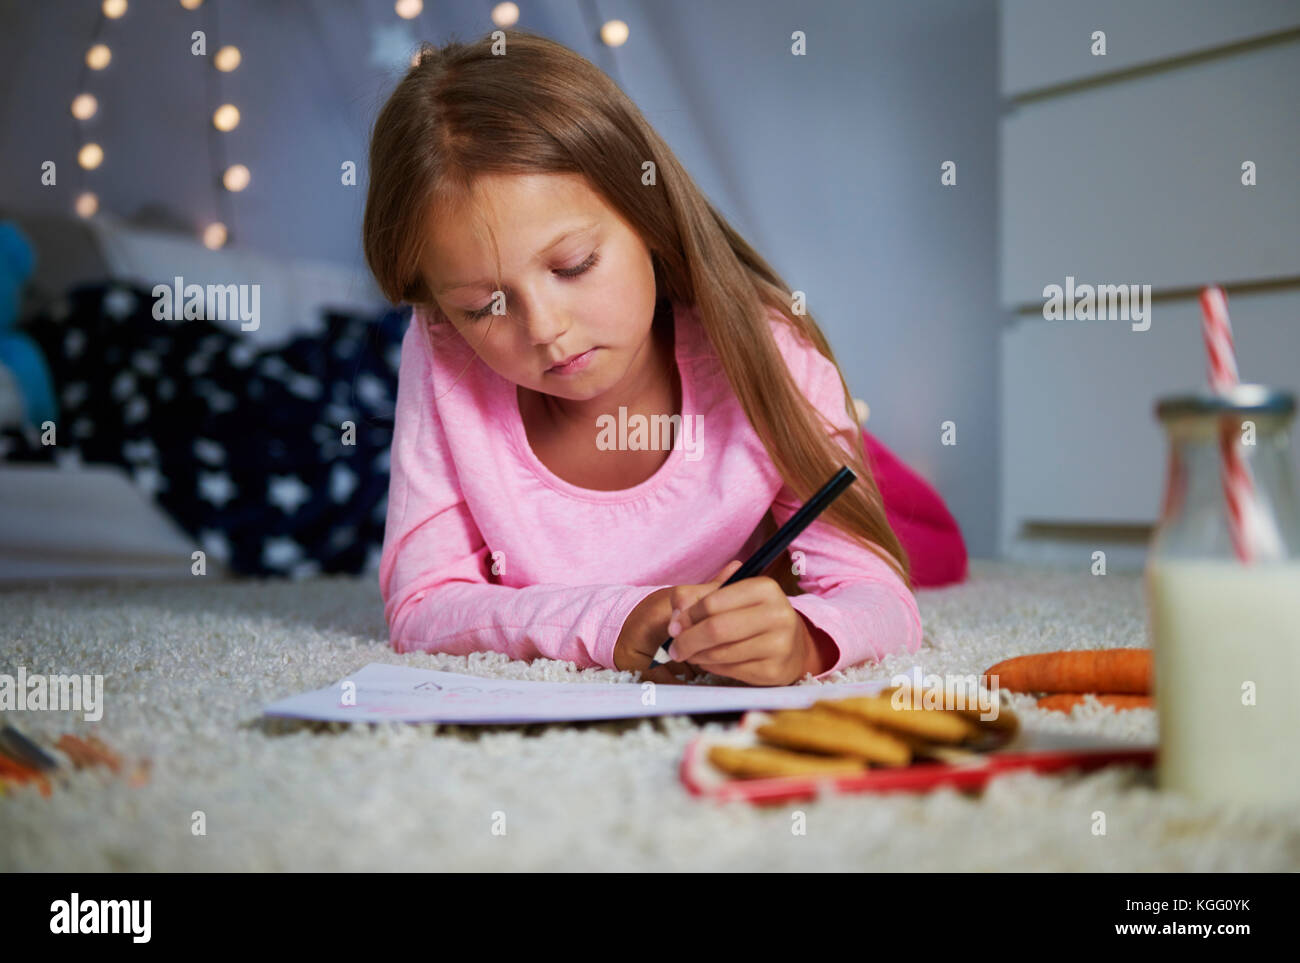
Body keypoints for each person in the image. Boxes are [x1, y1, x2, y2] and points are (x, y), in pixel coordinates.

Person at [362, 30, 930, 687]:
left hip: (787, 440)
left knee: (927, 546)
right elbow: (422, 605)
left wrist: (804, 640)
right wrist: (614, 620)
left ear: (649, 216)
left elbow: (880, 597)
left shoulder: (771, 349)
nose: (545, 329)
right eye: (480, 306)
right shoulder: (441, 352)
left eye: (574, 266)